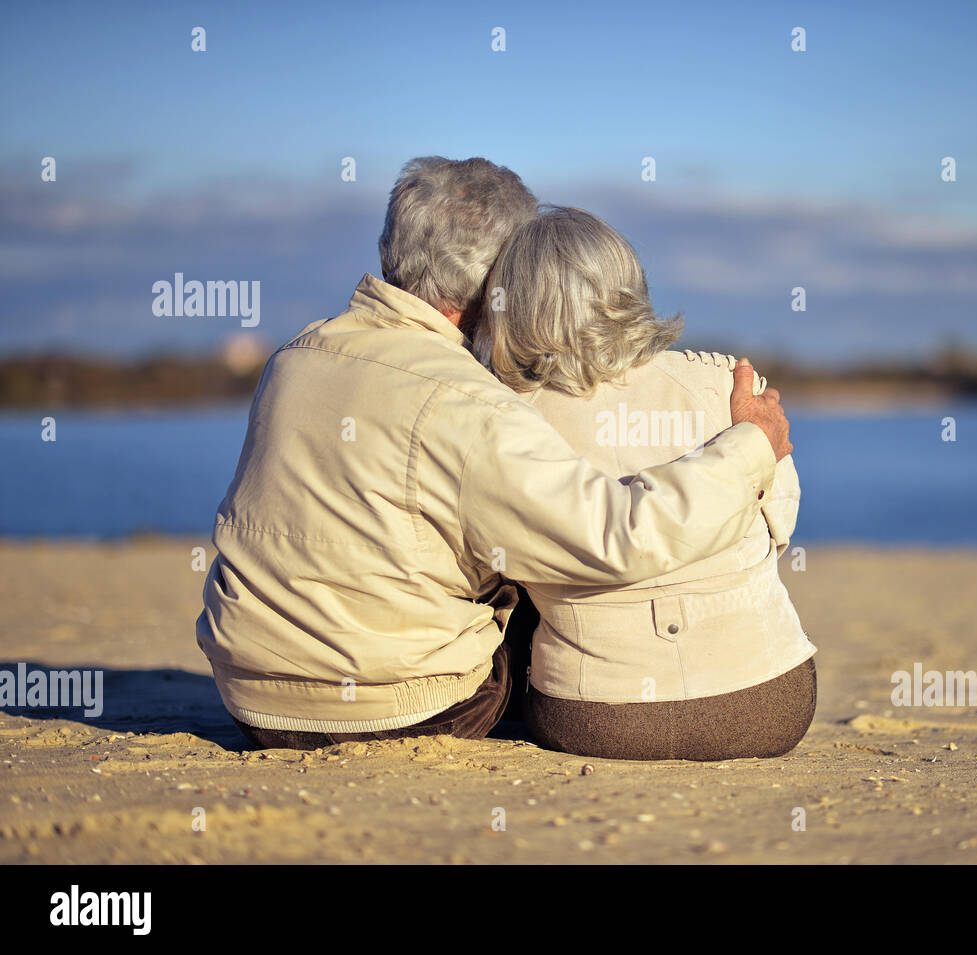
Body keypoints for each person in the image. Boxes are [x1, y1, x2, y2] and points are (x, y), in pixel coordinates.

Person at [194, 157, 792, 750]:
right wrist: (751, 447)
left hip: (248, 694)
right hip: (393, 707)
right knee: (533, 565)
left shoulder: (294, 356)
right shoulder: (471, 403)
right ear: (504, 280)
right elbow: (618, 539)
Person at [474, 207, 815, 761]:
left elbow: (499, 564)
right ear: (630, 286)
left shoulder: (506, 419)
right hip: (768, 703)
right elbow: (780, 527)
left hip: (593, 717)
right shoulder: (728, 385)